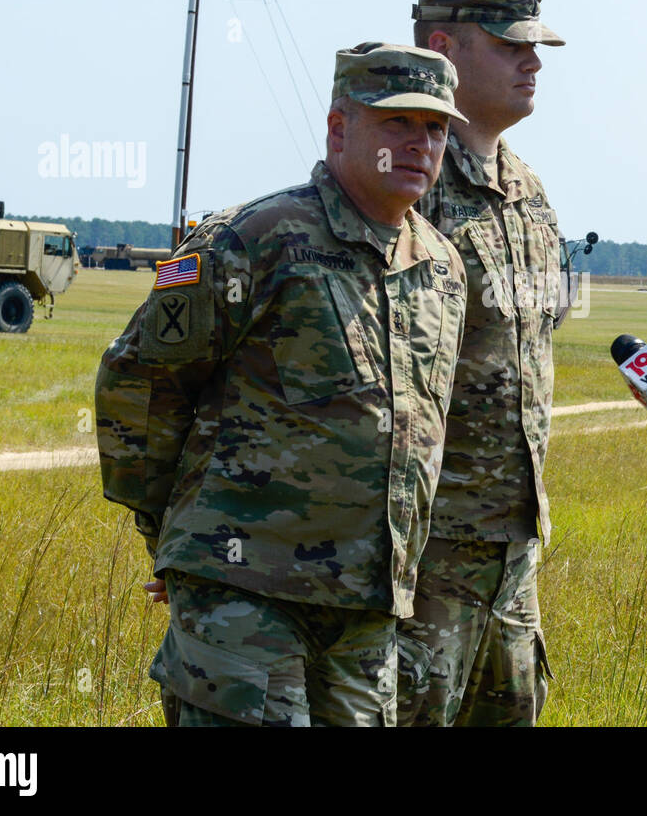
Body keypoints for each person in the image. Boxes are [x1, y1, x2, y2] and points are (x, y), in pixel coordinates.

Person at [94, 42, 468, 727]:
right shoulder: (255, 238)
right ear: (338, 128)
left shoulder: (442, 267)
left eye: (436, 129)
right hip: (243, 596)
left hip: (366, 615)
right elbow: (140, 384)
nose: (420, 144)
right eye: (398, 123)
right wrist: (172, 540)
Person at [396, 0, 567, 726]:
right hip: (429, 550)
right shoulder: (403, 184)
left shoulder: (527, 189)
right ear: (444, 47)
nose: (533, 63)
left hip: (512, 547)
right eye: (511, 46)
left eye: (538, 47)